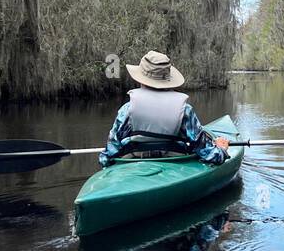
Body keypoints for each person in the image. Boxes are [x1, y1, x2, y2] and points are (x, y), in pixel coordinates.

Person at [98, 51, 230, 167]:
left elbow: (108, 154)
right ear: (168, 79)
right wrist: (221, 149)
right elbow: (209, 154)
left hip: (133, 163)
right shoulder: (185, 111)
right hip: (176, 163)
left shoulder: (127, 110)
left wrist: (105, 161)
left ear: (141, 80)